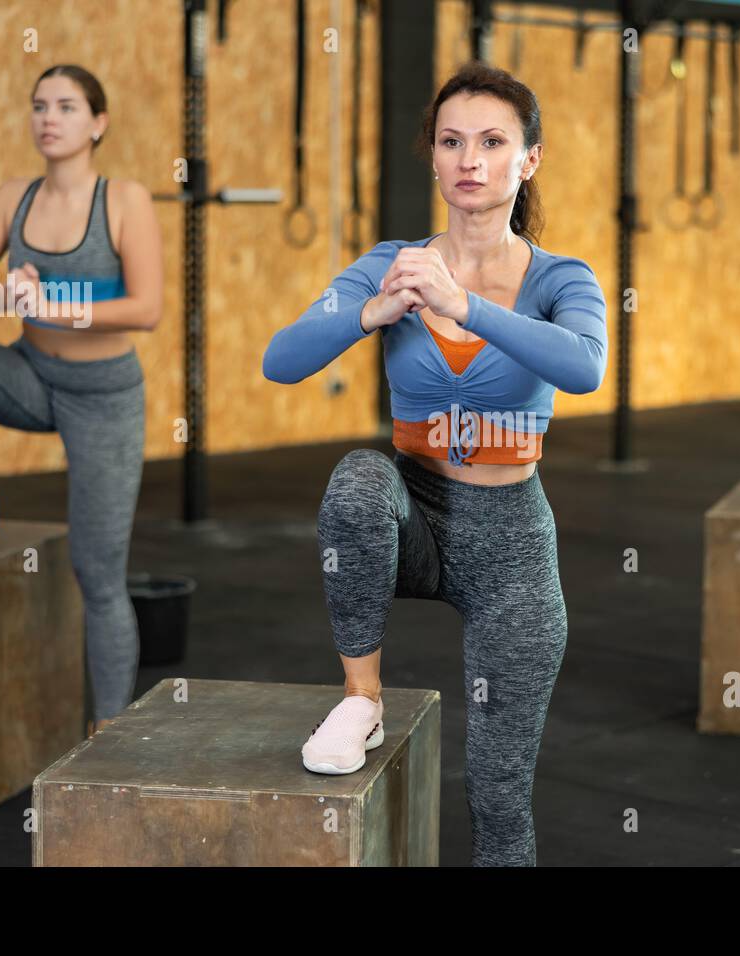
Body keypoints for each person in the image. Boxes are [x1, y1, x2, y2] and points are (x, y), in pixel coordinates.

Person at [262, 61, 608, 865]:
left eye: (492, 142)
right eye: (452, 141)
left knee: (497, 796)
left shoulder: (562, 278)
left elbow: (585, 367)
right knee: (356, 480)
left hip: (512, 540)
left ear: (529, 160)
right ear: (434, 156)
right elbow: (281, 360)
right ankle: (362, 700)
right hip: (412, 513)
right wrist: (371, 311)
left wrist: (464, 305)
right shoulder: (393, 259)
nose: (470, 159)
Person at [0, 64, 163, 735]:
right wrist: (7, 295)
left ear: (97, 123)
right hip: (29, 375)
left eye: (67, 106)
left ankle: (109, 734)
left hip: (104, 397)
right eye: (39, 106)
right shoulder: (13, 196)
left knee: (98, 574)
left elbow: (148, 309)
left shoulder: (125, 199)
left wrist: (59, 303)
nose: (49, 118)